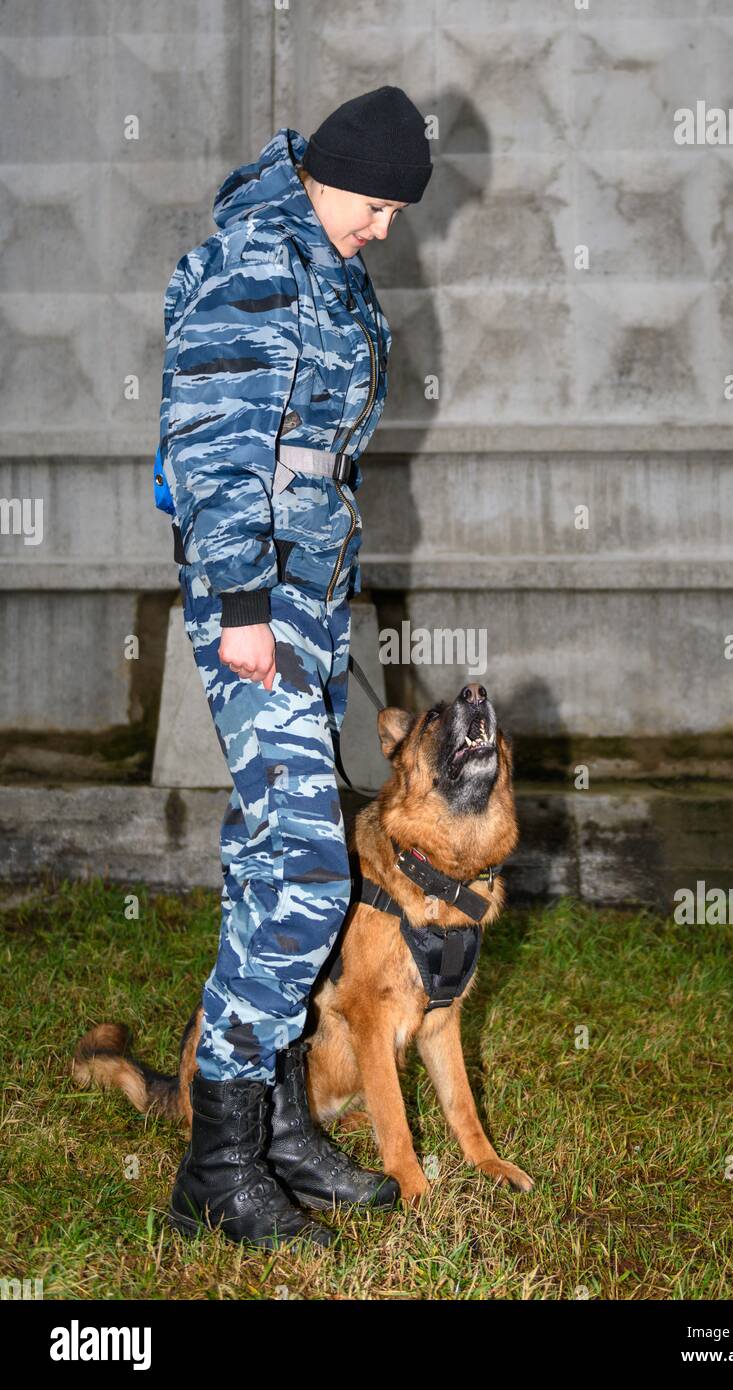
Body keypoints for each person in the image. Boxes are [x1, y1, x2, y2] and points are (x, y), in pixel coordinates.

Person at [156, 87, 433, 1249]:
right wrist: (241, 605)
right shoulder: (257, 257)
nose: (383, 228)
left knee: (276, 858)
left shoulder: (320, 252)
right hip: (258, 602)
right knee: (313, 873)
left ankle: (270, 1127)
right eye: (376, 205)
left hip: (301, 598)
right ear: (329, 176)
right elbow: (215, 446)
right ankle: (213, 1164)